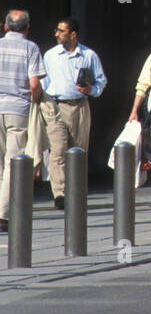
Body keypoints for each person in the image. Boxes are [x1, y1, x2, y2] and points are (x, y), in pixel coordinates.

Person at [41, 18, 107, 209]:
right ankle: (60, 194)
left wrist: (91, 90)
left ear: (73, 34)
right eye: (56, 30)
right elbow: (44, 83)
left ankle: (75, 191)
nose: (57, 34)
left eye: (61, 31)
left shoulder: (89, 55)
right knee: (58, 151)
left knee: (78, 151)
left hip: (79, 106)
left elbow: (101, 80)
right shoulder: (50, 55)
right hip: (56, 106)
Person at [0, 10, 46, 233]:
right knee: (12, 162)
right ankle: (4, 214)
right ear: (27, 28)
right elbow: (35, 84)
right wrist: (35, 101)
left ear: (5, 27)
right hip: (18, 109)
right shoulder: (30, 48)